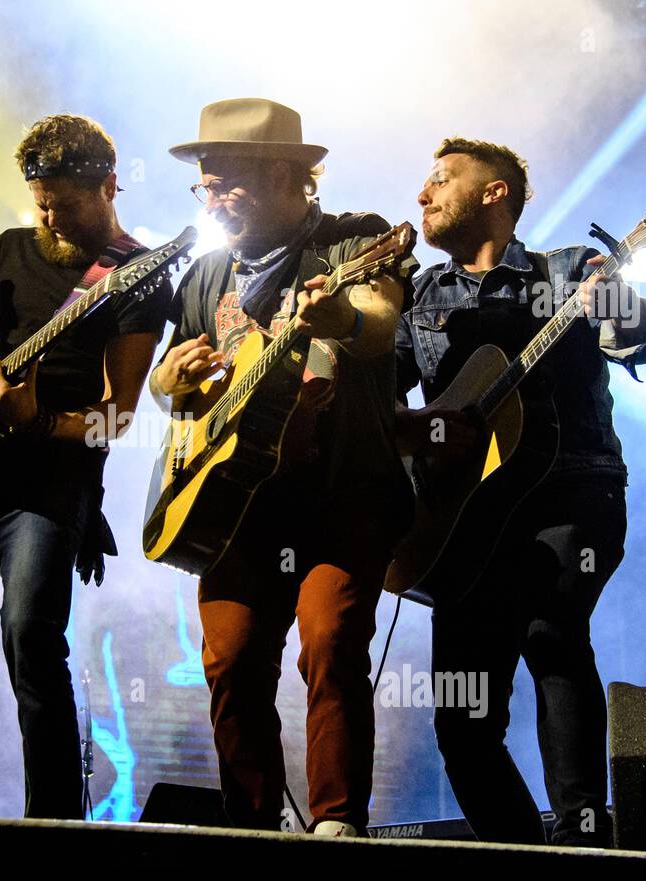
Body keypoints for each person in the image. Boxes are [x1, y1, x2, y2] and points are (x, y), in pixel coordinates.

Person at [152, 98, 414, 836]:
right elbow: (177, 385)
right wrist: (166, 382)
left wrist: (346, 320)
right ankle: (250, 832)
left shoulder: (355, 240)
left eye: (224, 182)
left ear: (285, 174)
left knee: (330, 641)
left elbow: (379, 319)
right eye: (204, 186)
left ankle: (336, 825)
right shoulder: (206, 273)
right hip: (237, 501)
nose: (211, 199)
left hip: (341, 491)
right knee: (230, 665)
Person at [395, 137, 646, 846]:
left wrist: (619, 305)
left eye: (442, 179)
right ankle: (520, 854)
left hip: (571, 487)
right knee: (460, 714)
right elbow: (379, 406)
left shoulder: (569, 269)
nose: (424, 193)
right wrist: (423, 428)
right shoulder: (418, 297)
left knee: (551, 630)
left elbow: (637, 334)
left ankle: (582, 837)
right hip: (469, 513)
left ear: (495, 193)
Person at [0, 114, 167, 819]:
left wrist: (39, 422)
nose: (50, 218)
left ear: (109, 185)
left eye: (66, 204)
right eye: (41, 202)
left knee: (31, 647)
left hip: (50, 490)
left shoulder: (138, 278)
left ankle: (52, 830)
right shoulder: (10, 249)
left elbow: (117, 417)